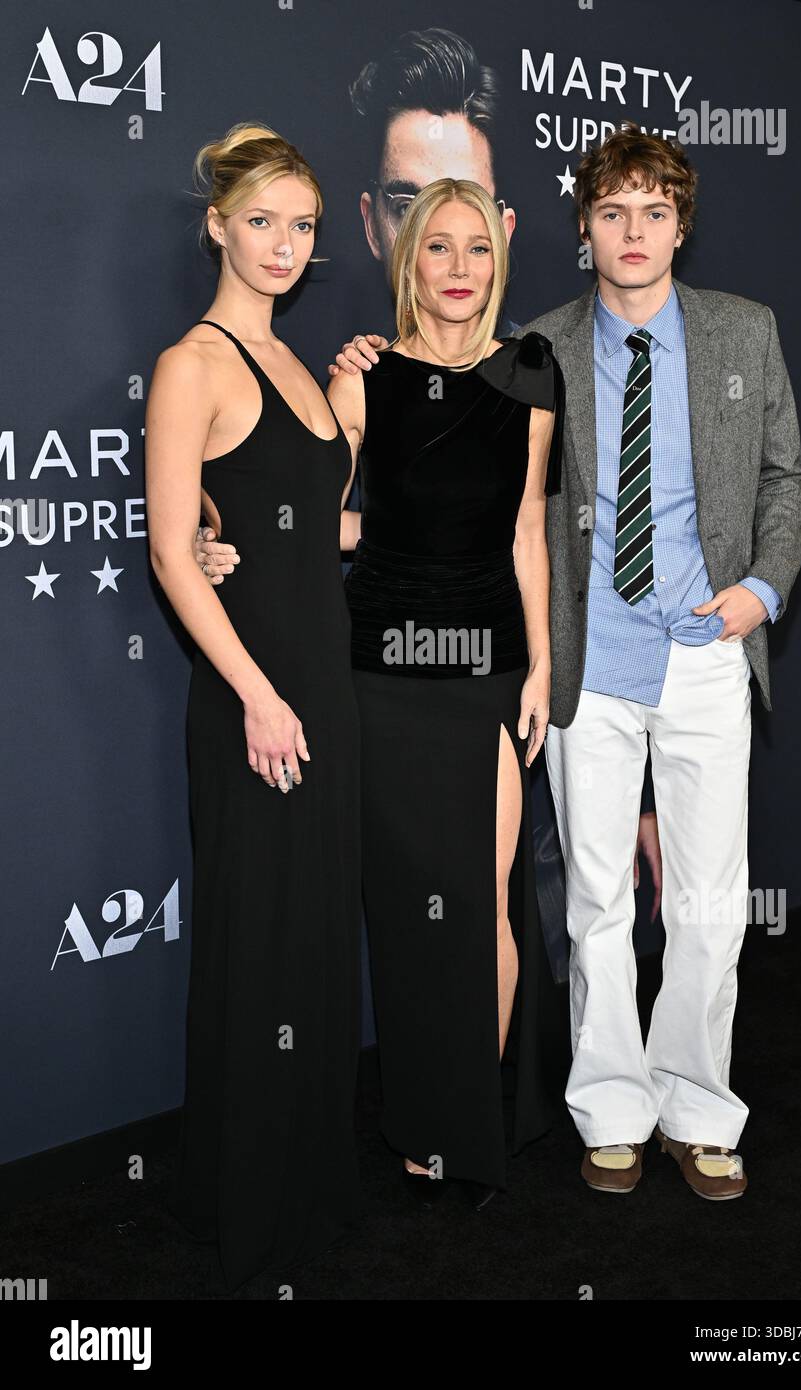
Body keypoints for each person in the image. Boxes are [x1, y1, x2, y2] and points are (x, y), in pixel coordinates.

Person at [329, 125, 801, 1201]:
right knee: (591, 894)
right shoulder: (533, 351)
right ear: (580, 230)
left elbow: (785, 477)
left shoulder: (743, 333)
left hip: (704, 653)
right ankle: (609, 1108)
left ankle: (697, 1105)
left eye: (652, 212)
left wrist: (758, 591)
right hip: (587, 658)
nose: (631, 232)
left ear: (679, 225)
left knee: (705, 902)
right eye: (609, 213)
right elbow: (489, 510)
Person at [201, 177, 570, 1208]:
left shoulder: (530, 373)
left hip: (486, 670)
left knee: (485, 909)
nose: (459, 269)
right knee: (413, 918)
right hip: (384, 677)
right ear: (408, 262)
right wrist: (203, 536)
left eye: (476, 251)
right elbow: (306, 515)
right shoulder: (362, 381)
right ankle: (426, 1125)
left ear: (498, 261)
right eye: (437, 250)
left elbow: (525, 536)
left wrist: (538, 665)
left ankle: (466, 1109)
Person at [145, 122, 361, 1290]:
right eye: (263, 220)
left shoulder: (300, 365)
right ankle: (242, 1202)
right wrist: (258, 698)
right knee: (258, 949)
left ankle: (310, 1183)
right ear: (217, 225)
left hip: (321, 683)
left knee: (316, 944)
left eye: (303, 226)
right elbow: (175, 555)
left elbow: (305, 527)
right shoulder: (193, 363)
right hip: (253, 698)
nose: (284, 244)